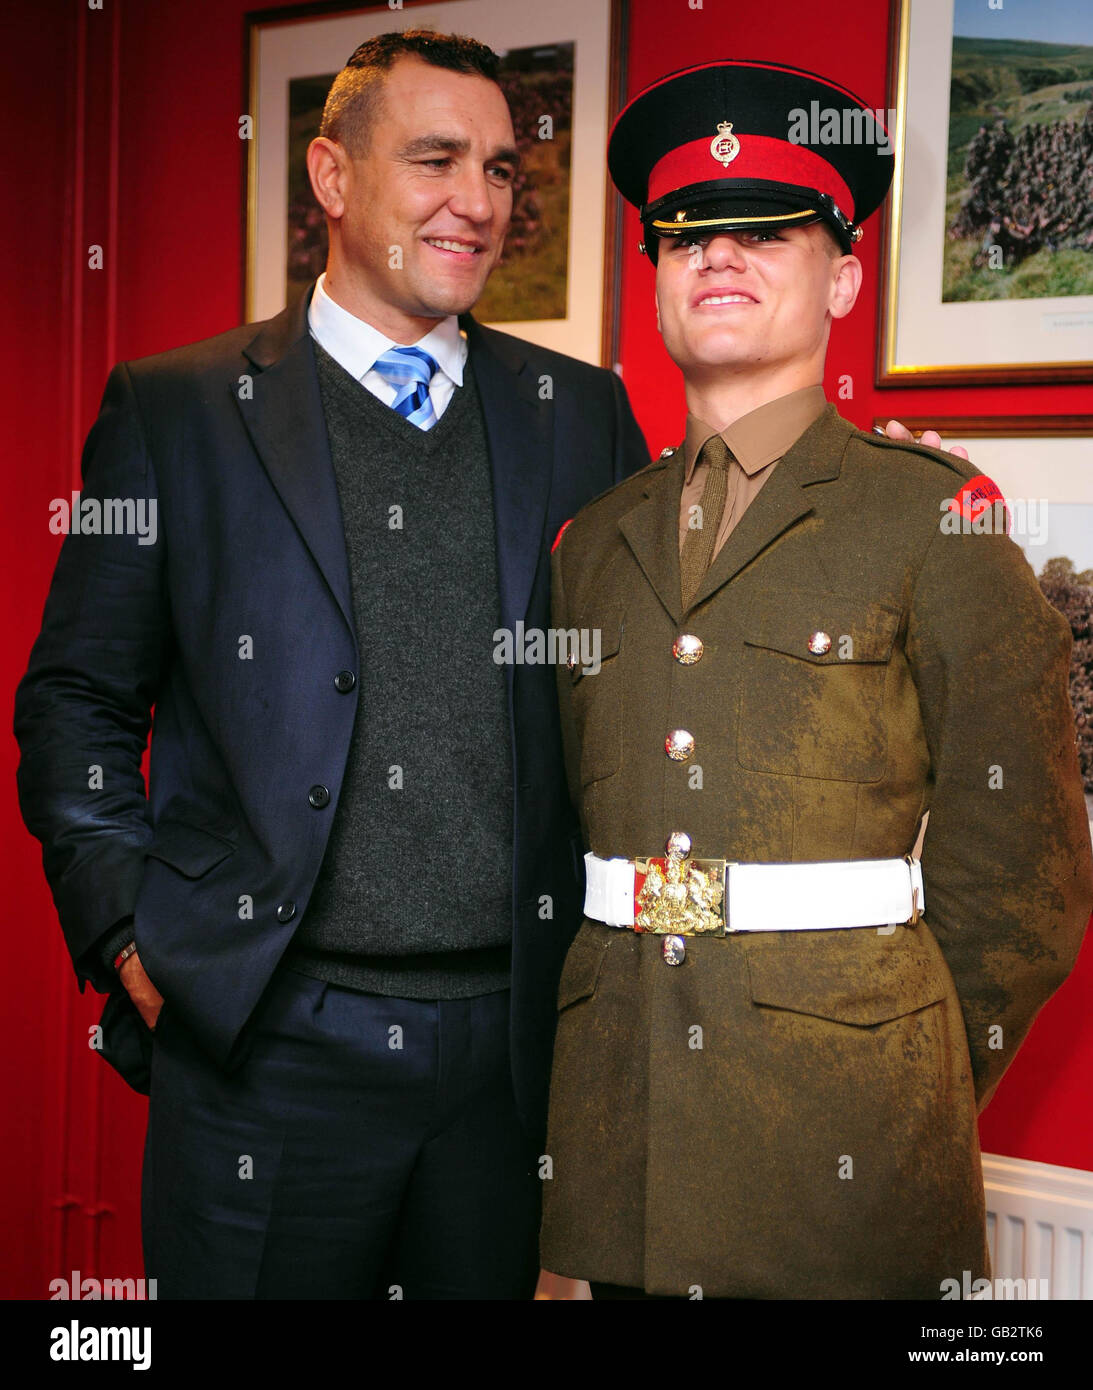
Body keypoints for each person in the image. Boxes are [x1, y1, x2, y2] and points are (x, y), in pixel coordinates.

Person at [13, 29, 650, 1300]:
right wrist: (135, 944)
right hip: (266, 1047)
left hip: (505, 1061)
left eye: (500, 168)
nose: (477, 199)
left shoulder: (581, 415)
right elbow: (74, 698)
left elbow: (642, 684)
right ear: (331, 174)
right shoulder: (175, 409)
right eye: (434, 159)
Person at [539, 59, 1093, 1300]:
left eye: (765, 235)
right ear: (657, 281)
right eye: (685, 238)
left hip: (847, 1161)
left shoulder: (931, 517)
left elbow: (1027, 881)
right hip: (623, 1157)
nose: (716, 259)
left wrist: (905, 1081)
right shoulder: (589, 546)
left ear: (841, 276)